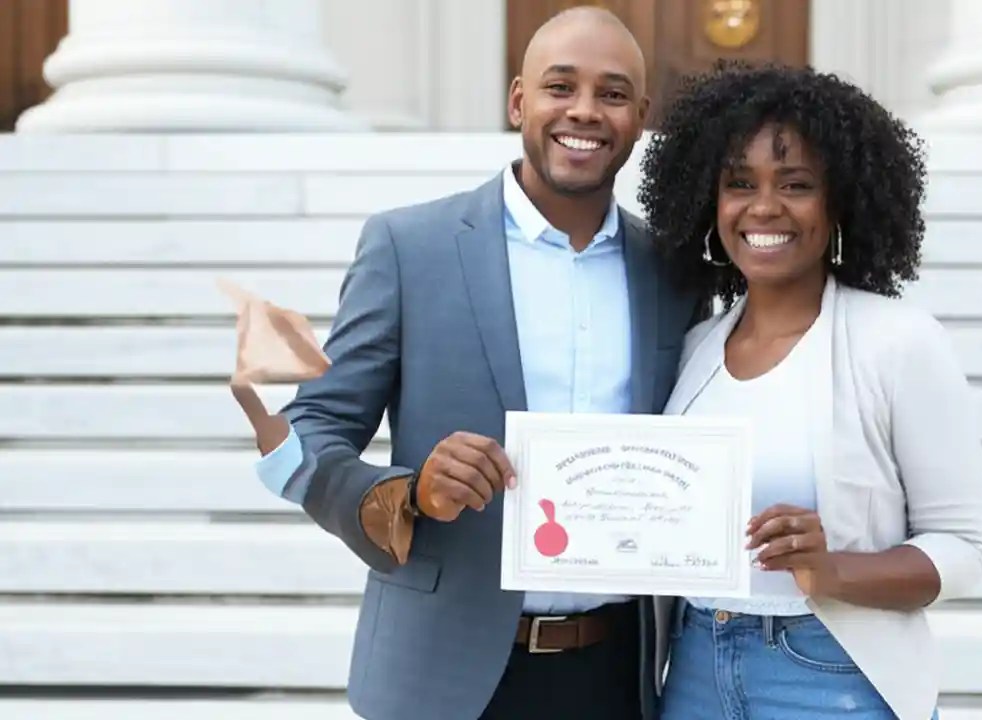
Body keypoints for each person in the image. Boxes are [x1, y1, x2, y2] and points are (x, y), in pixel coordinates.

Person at [233, 8, 697, 719]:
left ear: (640, 117)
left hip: (616, 675)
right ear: (518, 101)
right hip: (442, 678)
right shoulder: (409, 247)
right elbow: (313, 429)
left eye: (611, 94)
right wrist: (410, 493)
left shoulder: (673, 270)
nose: (584, 111)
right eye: (560, 87)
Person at [637, 61, 982, 720]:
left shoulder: (898, 343)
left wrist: (835, 571)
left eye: (795, 184)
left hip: (829, 676)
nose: (764, 207)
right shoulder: (694, 349)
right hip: (693, 670)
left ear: (840, 203)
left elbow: (964, 548)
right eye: (739, 183)